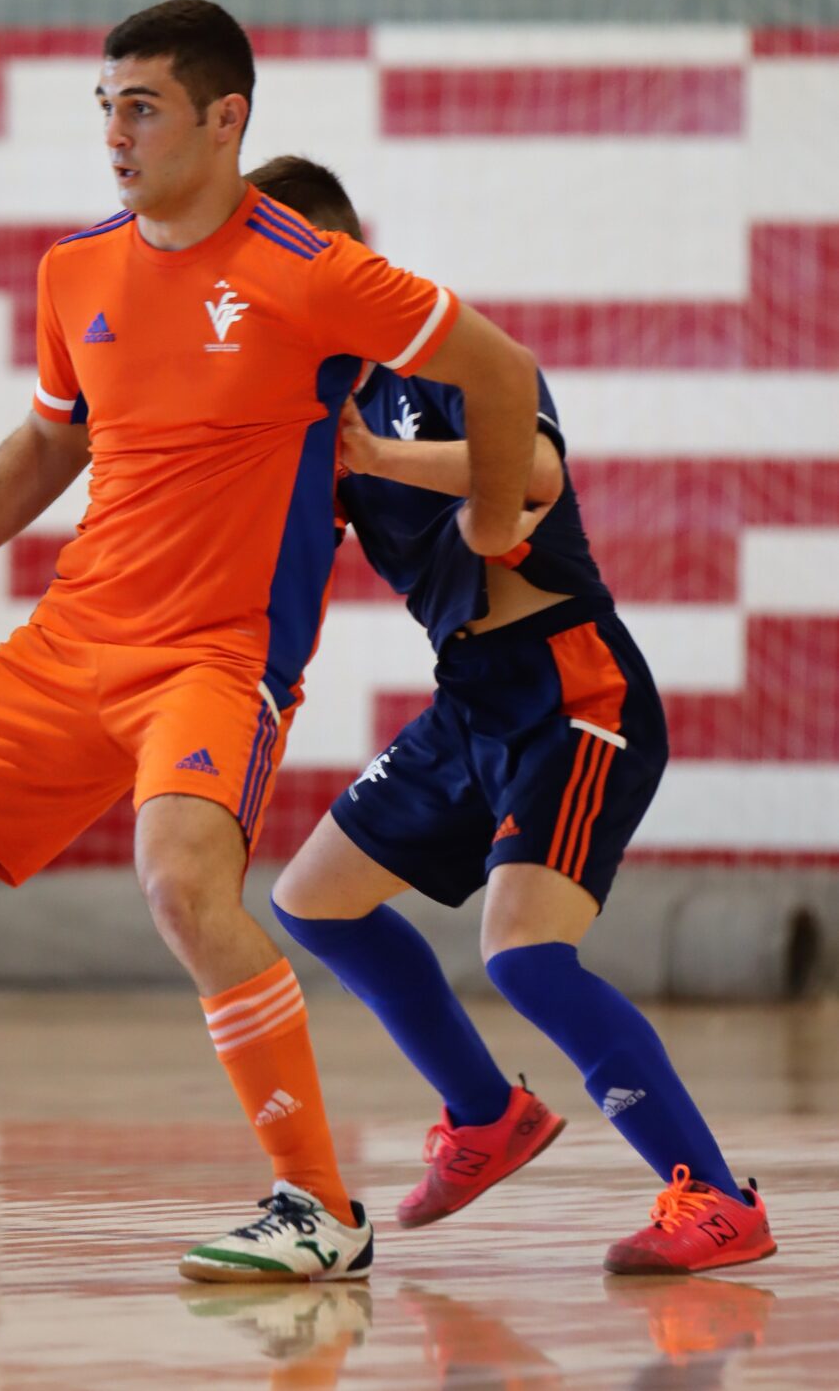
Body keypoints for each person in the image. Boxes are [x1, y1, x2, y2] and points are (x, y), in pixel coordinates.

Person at [0, 1, 542, 1284]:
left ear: (228, 119)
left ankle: (318, 1205)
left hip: (218, 657)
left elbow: (501, 372)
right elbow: (51, 439)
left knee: (181, 888)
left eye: (143, 104)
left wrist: (493, 515)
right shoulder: (77, 268)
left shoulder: (312, 269)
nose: (114, 130)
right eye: (104, 103)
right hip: (71, 640)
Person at [247, 155, 778, 1277]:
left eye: (268, 258)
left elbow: (530, 469)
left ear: (330, 254)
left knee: (529, 957)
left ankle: (719, 1199)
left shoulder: (436, 347)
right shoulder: (310, 394)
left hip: (573, 684)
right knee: (316, 899)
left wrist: (378, 455)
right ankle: (486, 1113)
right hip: (471, 695)